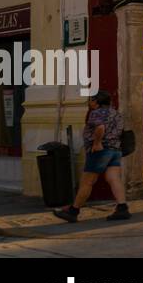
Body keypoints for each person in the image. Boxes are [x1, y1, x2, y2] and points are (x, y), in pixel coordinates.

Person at [53, 90, 129, 223]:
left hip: (101, 152)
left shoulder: (97, 113)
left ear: (96, 101)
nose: (89, 103)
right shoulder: (116, 113)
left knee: (87, 182)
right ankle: (122, 208)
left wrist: (97, 143)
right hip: (115, 150)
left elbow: (100, 128)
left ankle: (73, 211)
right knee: (114, 179)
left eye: (91, 100)